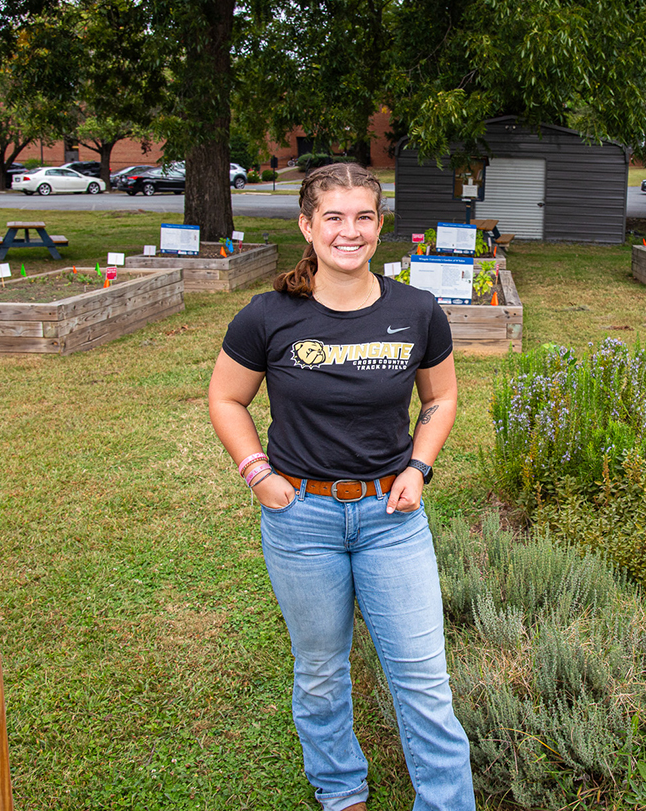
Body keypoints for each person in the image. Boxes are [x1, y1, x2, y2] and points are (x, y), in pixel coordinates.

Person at [208, 162, 475, 811]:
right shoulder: (268, 316)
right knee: (323, 673)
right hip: (302, 521)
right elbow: (225, 398)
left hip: (392, 519)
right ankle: (341, 792)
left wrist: (419, 468)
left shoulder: (416, 310)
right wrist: (259, 476)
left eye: (363, 217)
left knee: (423, 679)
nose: (348, 232)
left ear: (379, 227)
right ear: (307, 225)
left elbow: (440, 399)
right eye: (333, 217)